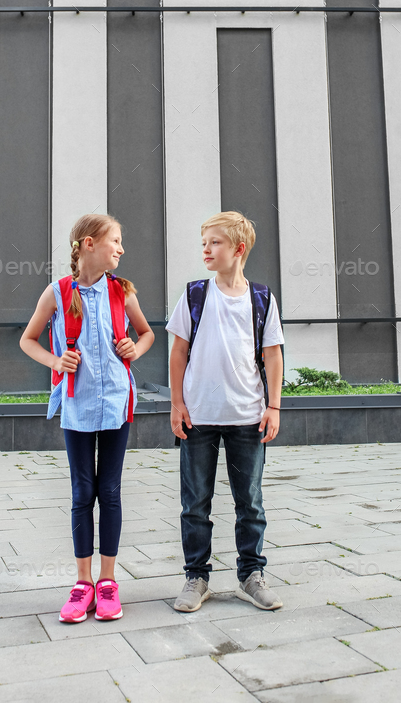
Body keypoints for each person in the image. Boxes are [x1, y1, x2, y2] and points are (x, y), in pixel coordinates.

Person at [20, 213, 154, 622]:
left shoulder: (123, 291)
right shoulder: (57, 293)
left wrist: (135, 348)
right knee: (82, 493)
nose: (121, 249)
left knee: (109, 491)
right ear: (90, 244)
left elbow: (147, 333)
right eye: (116, 240)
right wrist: (55, 361)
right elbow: (28, 340)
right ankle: (83, 584)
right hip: (77, 407)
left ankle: (108, 582)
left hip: (116, 404)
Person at [166, 211, 284, 612]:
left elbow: (272, 355)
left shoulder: (261, 298)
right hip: (198, 417)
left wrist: (273, 407)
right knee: (195, 504)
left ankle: (251, 575)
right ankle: (196, 577)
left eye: (214, 242)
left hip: (248, 417)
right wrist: (177, 404)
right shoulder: (195, 295)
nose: (206, 249)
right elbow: (178, 352)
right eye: (204, 243)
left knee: (250, 503)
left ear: (238, 249)